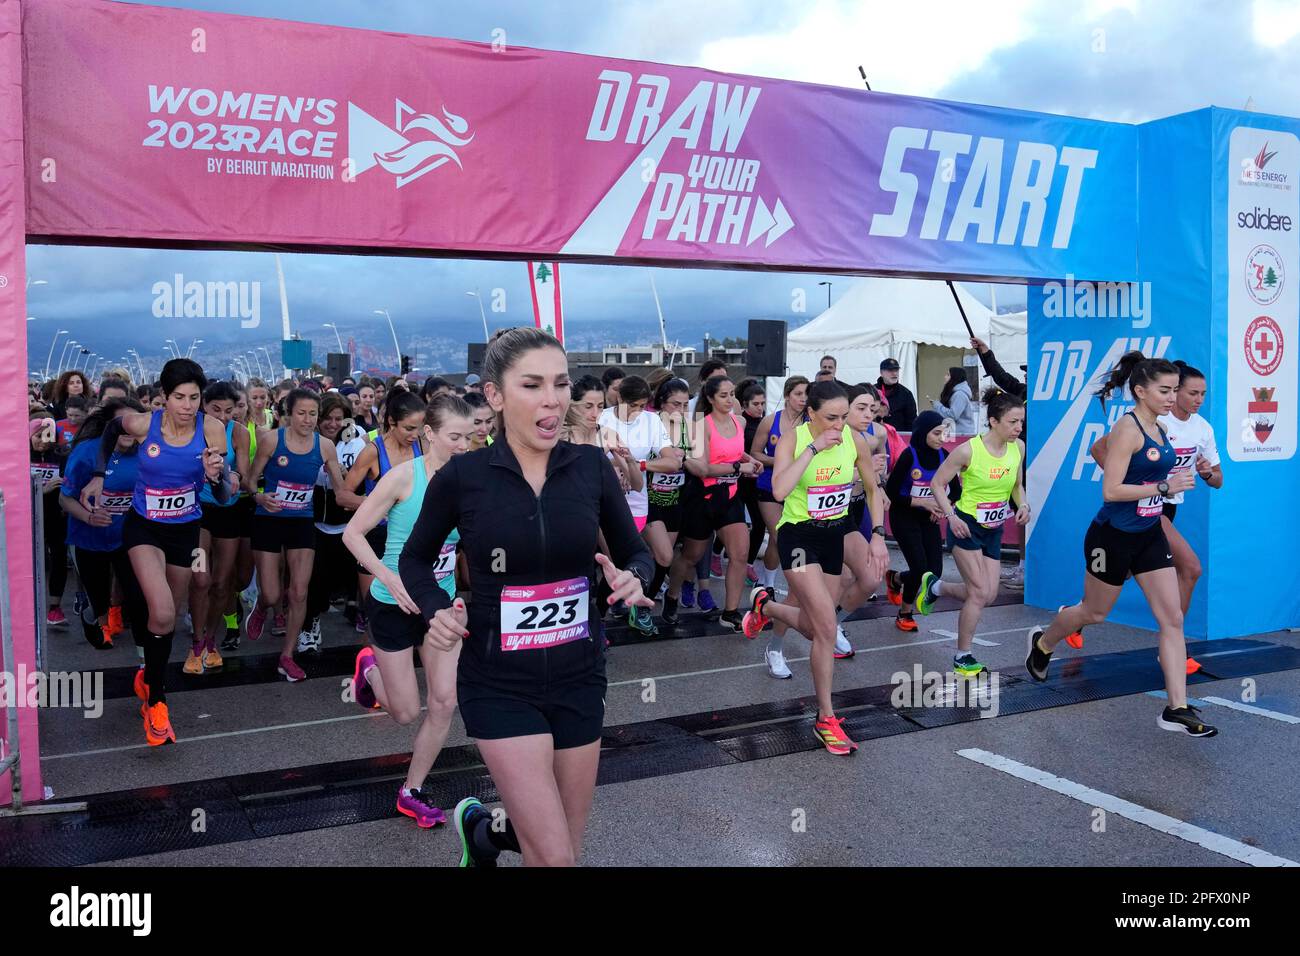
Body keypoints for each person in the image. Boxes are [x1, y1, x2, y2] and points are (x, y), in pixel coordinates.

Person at [398, 326, 653, 867]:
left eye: (559, 384)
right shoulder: (464, 478)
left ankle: (487, 834)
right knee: (556, 857)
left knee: (562, 846)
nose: (552, 399)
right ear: (494, 395)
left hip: (580, 673)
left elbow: (638, 551)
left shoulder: (590, 468)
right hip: (498, 682)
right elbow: (415, 560)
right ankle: (497, 832)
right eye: (532, 385)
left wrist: (633, 576)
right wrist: (435, 609)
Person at [1026, 353, 1214, 737]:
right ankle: (1044, 642)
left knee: (1173, 618)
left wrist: (1185, 480)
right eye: (1165, 390)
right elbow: (1111, 491)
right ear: (1141, 391)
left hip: (1148, 535)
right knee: (1094, 613)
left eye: (1175, 390)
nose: (1172, 397)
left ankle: (1176, 708)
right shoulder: (1128, 430)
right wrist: (1163, 487)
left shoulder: (1160, 428)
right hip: (1112, 537)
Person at [79, 358, 229, 745]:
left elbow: (226, 491)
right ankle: (158, 704)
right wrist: (99, 474)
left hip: (185, 530)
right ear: (164, 397)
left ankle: (148, 680)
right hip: (144, 527)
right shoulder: (146, 424)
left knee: (168, 618)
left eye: (195, 397)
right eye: (179, 397)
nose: (187, 405)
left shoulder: (212, 429)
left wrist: (218, 476)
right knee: (160, 611)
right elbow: (113, 427)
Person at [345, 395, 474, 828]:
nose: (463, 445)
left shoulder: (473, 483)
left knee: (444, 702)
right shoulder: (403, 478)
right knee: (403, 713)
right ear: (430, 435)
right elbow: (354, 534)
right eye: (454, 437)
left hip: (440, 607)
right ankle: (369, 672)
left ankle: (411, 790)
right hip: (393, 604)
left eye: (469, 437)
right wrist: (390, 575)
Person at [741, 381, 888, 752]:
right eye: (831, 418)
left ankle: (766, 606)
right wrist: (812, 448)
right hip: (798, 535)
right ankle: (825, 718)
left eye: (843, 417)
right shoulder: (793, 439)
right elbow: (778, 490)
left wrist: (878, 535)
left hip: (833, 535)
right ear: (811, 414)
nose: (839, 426)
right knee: (825, 626)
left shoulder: (854, 440)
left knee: (813, 628)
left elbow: (872, 489)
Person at [1077, 360, 1223, 670]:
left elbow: (1218, 479)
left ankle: (1079, 615)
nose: (1197, 399)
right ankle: (1173, 646)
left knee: (1122, 577)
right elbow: (1099, 450)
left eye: (1203, 394)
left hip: (1165, 506)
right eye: (1190, 393)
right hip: (1146, 507)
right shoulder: (1145, 425)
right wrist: (1143, 485)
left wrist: (1207, 473)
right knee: (1192, 568)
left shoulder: (1202, 428)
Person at [916, 389, 1026, 676]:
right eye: (1013, 422)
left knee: (988, 595)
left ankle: (935, 588)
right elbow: (937, 484)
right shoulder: (968, 450)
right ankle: (962, 656)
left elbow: (1016, 485)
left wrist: (1023, 503)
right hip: (966, 525)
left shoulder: (1019, 448)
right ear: (993, 421)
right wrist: (951, 517)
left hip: (994, 528)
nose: (1018, 428)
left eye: (1021, 422)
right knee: (978, 593)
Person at [244, 388, 347, 682]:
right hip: (269, 519)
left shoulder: (325, 446)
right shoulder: (271, 440)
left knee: (299, 592)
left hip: (302, 521)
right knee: (272, 593)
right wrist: (259, 497)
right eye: (301, 413)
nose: (307, 419)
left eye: (312, 414)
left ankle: (286, 656)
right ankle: (262, 607)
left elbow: (340, 491)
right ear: (288, 414)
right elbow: (251, 481)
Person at [662, 376, 763, 632]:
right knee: (692, 555)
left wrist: (749, 459)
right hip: (703, 497)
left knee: (740, 553)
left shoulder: (738, 421)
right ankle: (672, 596)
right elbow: (704, 468)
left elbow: (734, 450)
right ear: (709, 398)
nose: (730, 400)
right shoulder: (701, 426)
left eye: (732, 395)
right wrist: (740, 466)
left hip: (729, 495)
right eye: (724, 395)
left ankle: (730, 612)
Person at [60, 398, 148, 649]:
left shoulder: (147, 453)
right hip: (88, 537)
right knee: (98, 597)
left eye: (135, 423)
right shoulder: (88, 452)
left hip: (128, 536)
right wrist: (89, 516)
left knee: (138, 593)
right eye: (121, 424)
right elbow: (64, 499)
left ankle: (145, 648)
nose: (129, 429)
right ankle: (95, 618)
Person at [341, 391, 426, 636]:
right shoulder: (372, 451)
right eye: (409, 428)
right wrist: (375, 505)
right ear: (391, 422)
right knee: (376, 612)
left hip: (412, 538)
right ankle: (369, 668)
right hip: (378, 538)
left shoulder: (422, 445)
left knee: (411, 607)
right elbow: (344, 496)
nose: (415, 435)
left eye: (419, 428)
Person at [598, 374, 676, 636]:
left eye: (642, 406)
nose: (637, 412)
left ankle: (641, 606)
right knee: (615, 562)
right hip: (606, 500)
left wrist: (636, 466)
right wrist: (613, 468)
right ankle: (598, 622)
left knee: (664, 555)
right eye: (633, 405)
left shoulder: (652, 421)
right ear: (619, 398)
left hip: (640, 497)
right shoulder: (602, 418)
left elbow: (672, 462)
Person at [300, 393, 366, 654]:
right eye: (327, 418)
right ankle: (309, 624)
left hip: (347, 523)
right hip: (315, 520)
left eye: (339, 418)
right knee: (316, 579)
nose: (333, 423)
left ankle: (359, 614)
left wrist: (350, 477)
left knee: (347, 577)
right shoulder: (308, 439)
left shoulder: (358, 441)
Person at [186, 382, 243, 673]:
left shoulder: (239, 432)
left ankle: (211, 640)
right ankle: (195, 642)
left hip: (228, 512)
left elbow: (242, 469)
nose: (222, 416)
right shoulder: (192, 429)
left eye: (228, 410)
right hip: (198, 511)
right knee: (200, 580)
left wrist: (235, 478)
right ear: (204, 407)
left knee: (222, 584)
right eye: (215, 409)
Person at [883, 411, 952, 632]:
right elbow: (892, 492)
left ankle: (897, 579)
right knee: (921, 569)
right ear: (922, 433)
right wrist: (922, 502)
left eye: (944, 433)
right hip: (904, 515)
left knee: (935, 571)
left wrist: (942, 505)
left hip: (929, 517)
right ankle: (905, 612)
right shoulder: (908, 456)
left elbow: (956, 491)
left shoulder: (945, 456)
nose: (941, 438)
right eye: (936, 433)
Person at [643, 377, 692, 618]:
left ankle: (651, 602)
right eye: (675, 404)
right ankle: (642, 606)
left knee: (662, 559)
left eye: (685, 405)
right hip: (650, 501)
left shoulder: (690, 428)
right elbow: (636, 461)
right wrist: (665, 463)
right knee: (664, 555)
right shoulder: (649, 425)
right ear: (662, 403)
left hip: (676, 501)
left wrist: (686, 460)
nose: (681, 410)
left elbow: (702, 463)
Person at [31, 413, 70, 627]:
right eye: (38, 436)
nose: (43, 441)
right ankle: (28, 606)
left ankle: (54, 607)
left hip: (57, 515)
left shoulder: (61, 455)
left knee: (58, 559)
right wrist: (40, 489)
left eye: (47, 436)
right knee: (31, 562)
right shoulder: (20, 456)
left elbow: (72, 481)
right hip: (29, 516)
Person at [933, 367, 978, 436]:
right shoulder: (954, 392)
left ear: (955, 377)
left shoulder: (959, 394)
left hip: (962, 435)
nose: (945, 377)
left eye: (948, 375)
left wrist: (938, 406)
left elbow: (953, 415)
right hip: (955, 433)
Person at [876, 358, 917, 432]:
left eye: (896, 370)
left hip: (898, 438)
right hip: (875, 436)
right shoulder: (872, 391)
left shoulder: (906, 394)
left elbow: (912, 421)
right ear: (881, 372)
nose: (894, 373)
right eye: (890, 370)